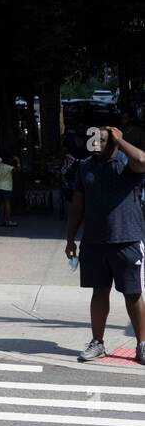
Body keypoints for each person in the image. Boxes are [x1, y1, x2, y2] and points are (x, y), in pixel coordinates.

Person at [65, 126, 145, 363]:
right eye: (93, 140)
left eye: (101, 140)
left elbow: (142, 158)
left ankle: (142, 345)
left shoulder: (127, 164)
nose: (95, 145)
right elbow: (77, 206)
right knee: (99, 292)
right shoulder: (85, 166)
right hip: (94, 241)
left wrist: (120, 140)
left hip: (127, 240)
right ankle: (97, 343)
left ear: (113, 142)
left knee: (133, 294)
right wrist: (71, 239)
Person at [0, 155, 17, 228]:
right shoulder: (9, 167)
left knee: (2, 204)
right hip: (6, 187)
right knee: (7, 204)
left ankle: (2, 221)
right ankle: (9, 221)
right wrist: (18, 161)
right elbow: (17, 170)